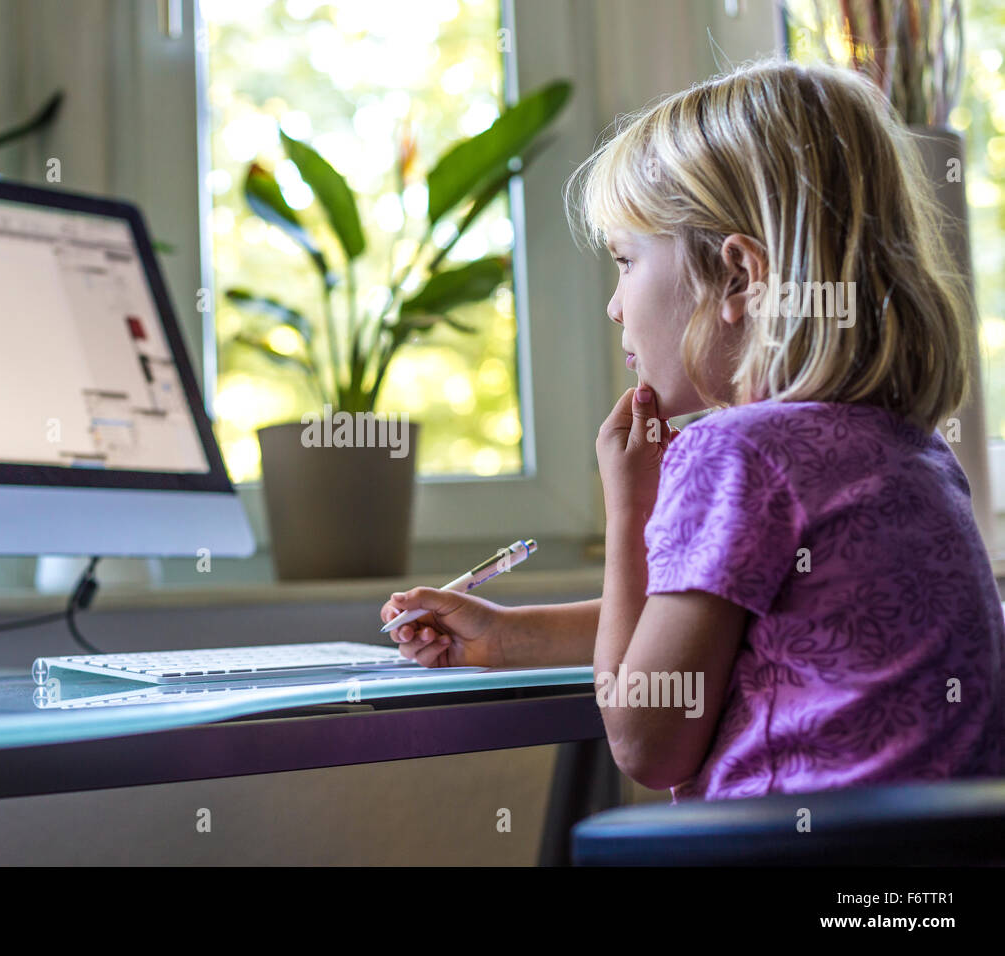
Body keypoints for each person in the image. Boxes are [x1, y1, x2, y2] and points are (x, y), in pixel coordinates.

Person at [381, 58, 1004, 801]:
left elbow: (645, 740)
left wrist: (630, 507)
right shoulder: (910, 450)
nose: (615, 308)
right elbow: (714, 620)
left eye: (625, 262)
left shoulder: (738, 454)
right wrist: (505, 635)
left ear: (738, 278)